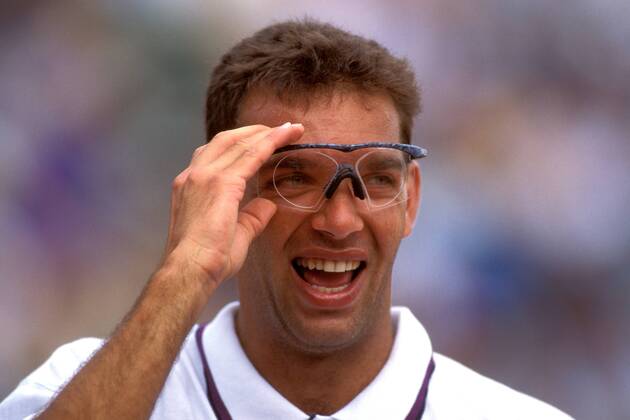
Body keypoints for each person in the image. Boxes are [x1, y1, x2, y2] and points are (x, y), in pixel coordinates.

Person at [0, 19, 572, 420]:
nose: (339, 221)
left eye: (377, 178)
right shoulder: (81, 384)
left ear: (411, 198)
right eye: (294, 177)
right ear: (220, 189)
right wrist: (185, 272)